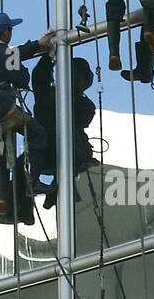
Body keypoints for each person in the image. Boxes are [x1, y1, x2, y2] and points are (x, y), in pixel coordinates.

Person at [0, 12, 56, 224]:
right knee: (37, 135)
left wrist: (35, 45)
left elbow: (9, 54)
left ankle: (2, 197)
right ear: (6, 32)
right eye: (10, 30)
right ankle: (32, 182)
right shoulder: (5, 53)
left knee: (1, 151)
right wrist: (27, 61)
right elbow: (21, 78)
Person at [29, 52, 101, 210]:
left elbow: (82, 119)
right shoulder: (50, 94)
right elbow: (39, 76)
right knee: (24, 167)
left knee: (66, 153)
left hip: (59, 148)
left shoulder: (80, 103)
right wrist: (49, 57)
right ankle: (45, 196)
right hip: (51, 148)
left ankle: (54, 192)